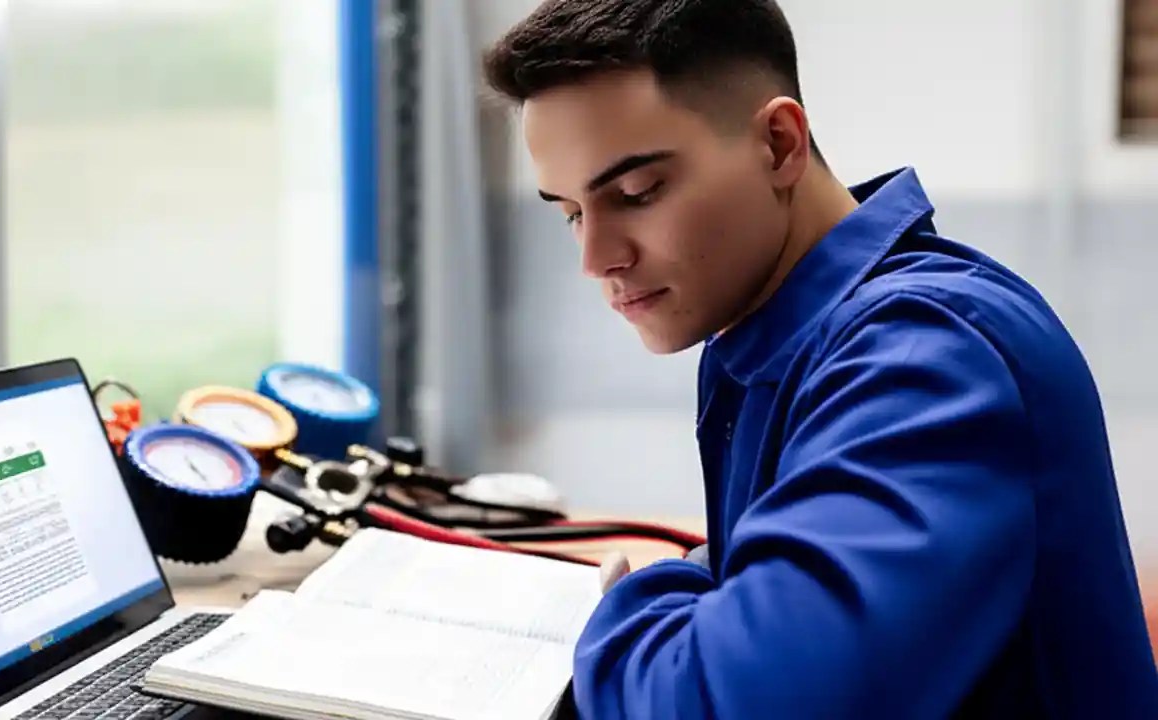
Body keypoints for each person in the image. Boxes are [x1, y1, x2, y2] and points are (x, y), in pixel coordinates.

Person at [482, 0, 1158, 717]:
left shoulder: (928, 357)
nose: (596, 259)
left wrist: (633, 607)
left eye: (636, 193)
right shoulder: (773, 333)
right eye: (572, 214)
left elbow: (741, 703)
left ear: (778, 144)